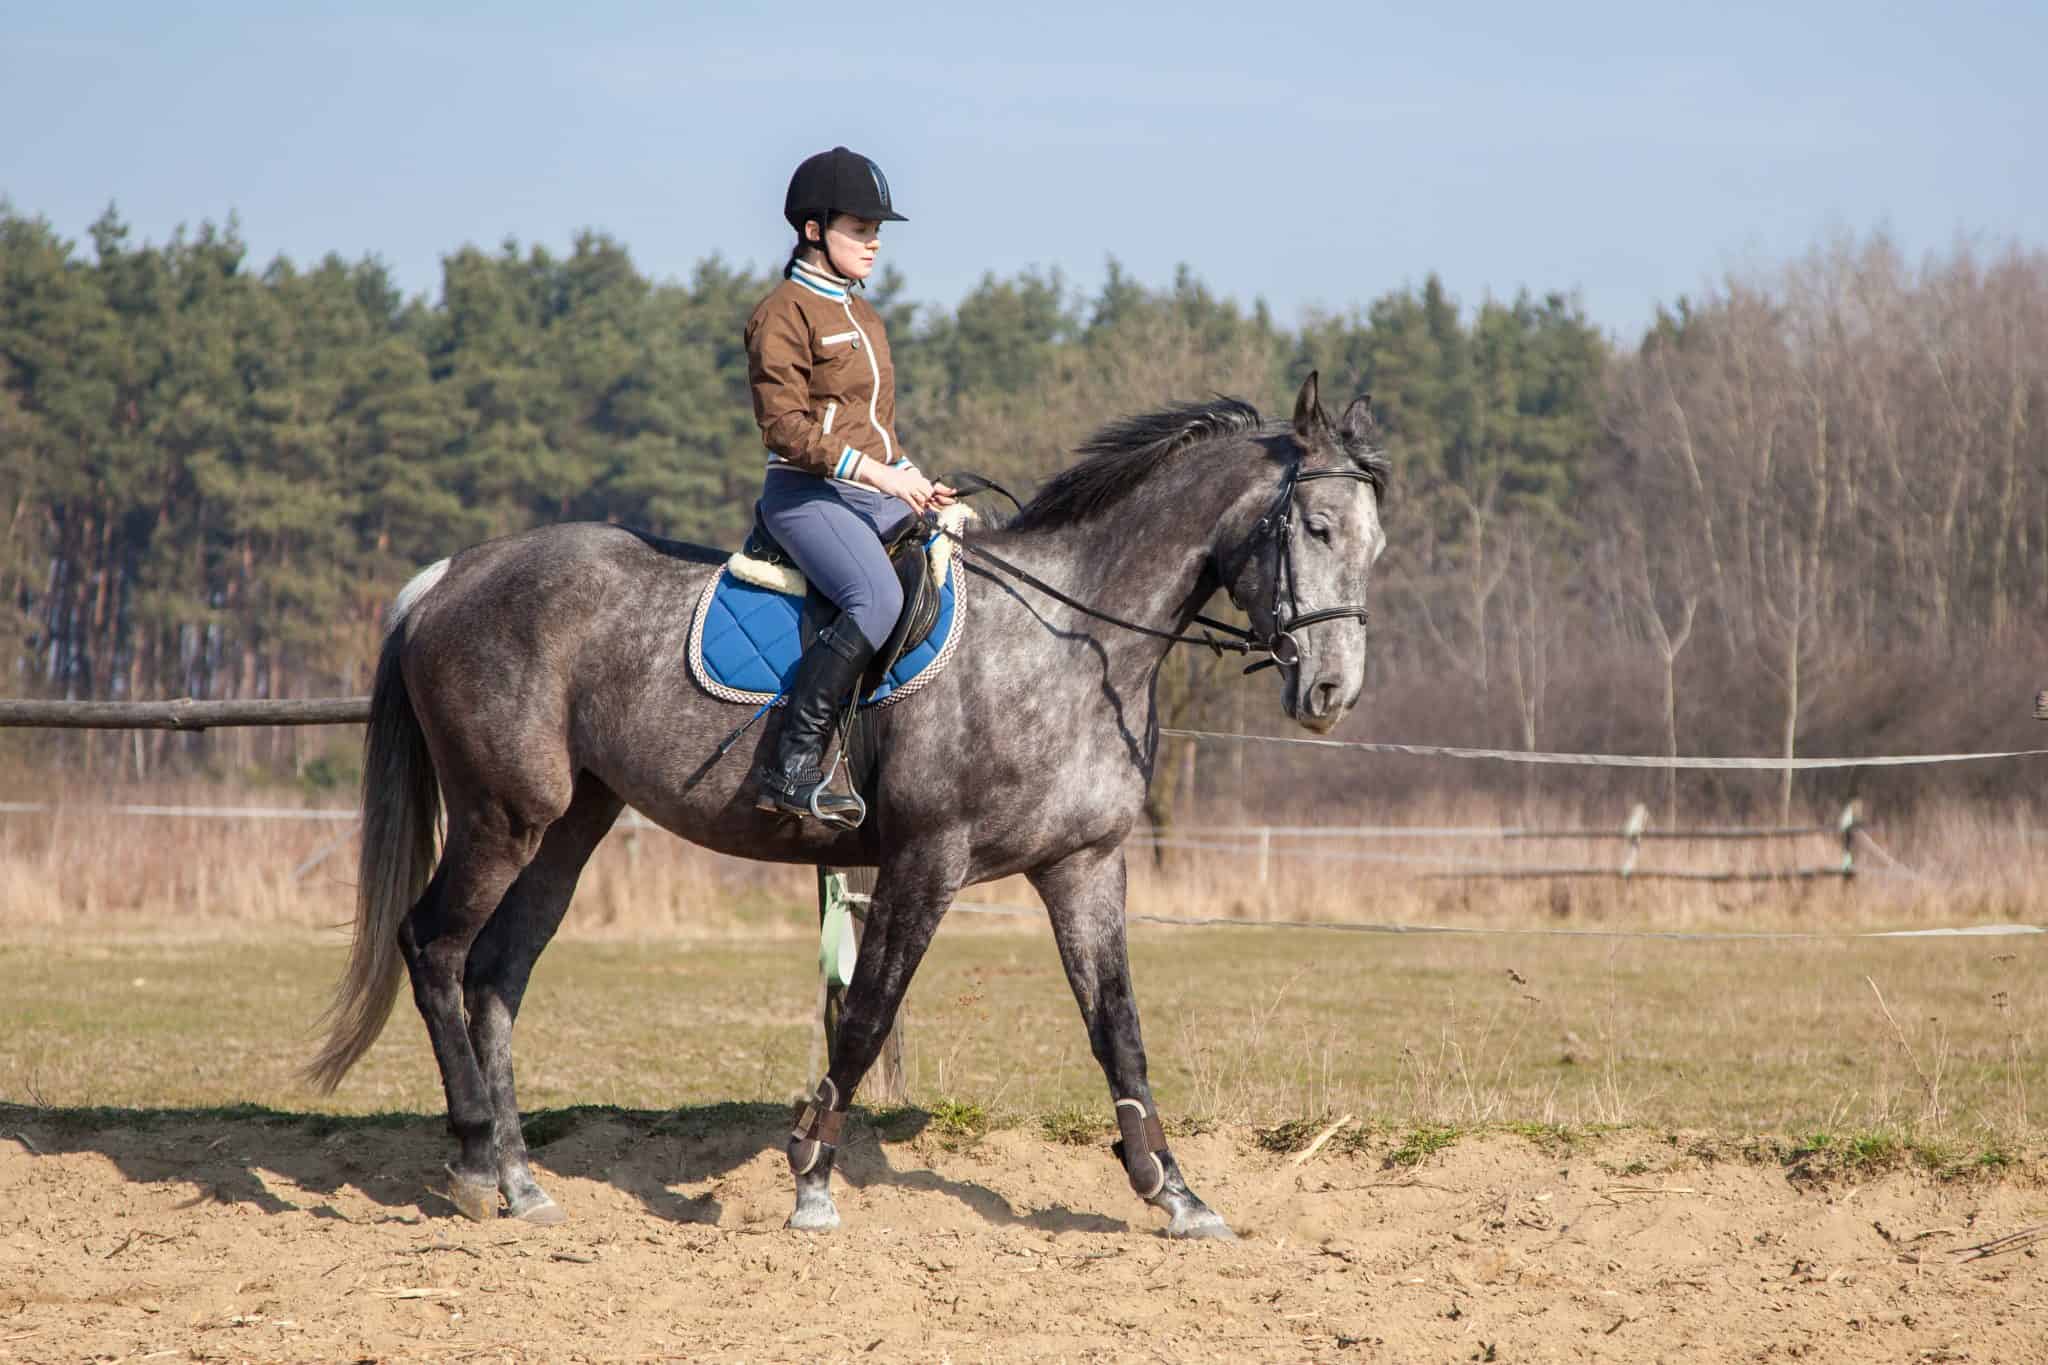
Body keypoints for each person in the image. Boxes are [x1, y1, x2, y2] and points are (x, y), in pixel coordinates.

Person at [744, 146, 956, 824]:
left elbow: (877, 431)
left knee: (948, 565)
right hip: (804, 496)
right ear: (813, 230)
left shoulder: (865, 317)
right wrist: (877, 476)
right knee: (874, 599)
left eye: (877, 232)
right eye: (859, 229)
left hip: (870, 492)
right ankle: (791, 762)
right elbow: (784, 427)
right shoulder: (783, 312)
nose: (873, 243)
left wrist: (915, 482)